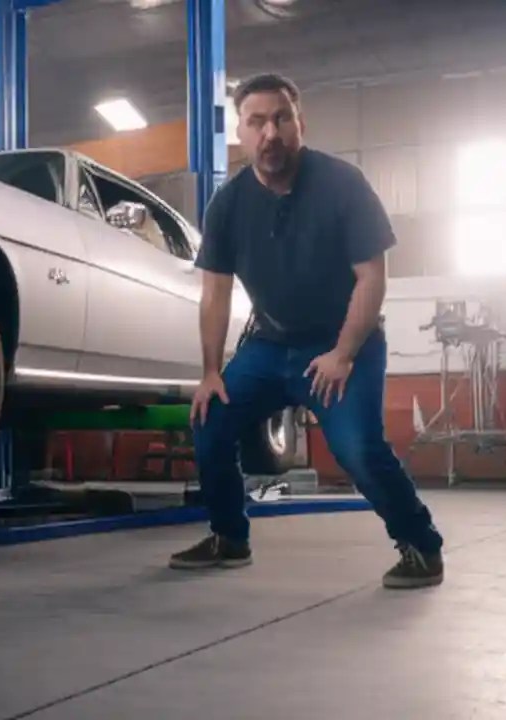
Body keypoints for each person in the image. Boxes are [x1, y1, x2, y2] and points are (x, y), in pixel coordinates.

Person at [168, 73, 445, 589]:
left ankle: (422, 546)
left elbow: (372, 277)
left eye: (281, 118)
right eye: (256, 122)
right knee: (211, 421)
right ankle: (229, 538)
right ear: (242, 133)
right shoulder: (228, 205)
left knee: (358, 449)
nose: (270, 132)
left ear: (300, 124)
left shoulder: (342, 184)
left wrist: (342, 353)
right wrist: (209, 372)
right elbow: (215, 293)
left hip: (344, 343)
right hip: (269, 345)